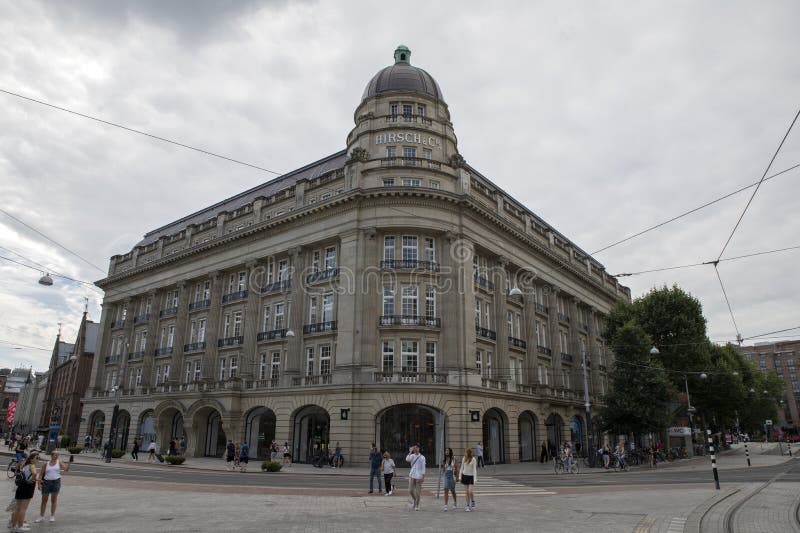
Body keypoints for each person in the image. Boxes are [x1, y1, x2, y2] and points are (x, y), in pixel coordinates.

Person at [34, 450, 69, 524]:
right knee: (44, 500)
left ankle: (52, 516)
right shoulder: (46, 464)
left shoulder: (59, 462)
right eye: (55, 455)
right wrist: (39, 484)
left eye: (57, 455)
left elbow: (66, 469)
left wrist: (69, 464)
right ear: (51, 456)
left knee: (54, 500)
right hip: (46, 482)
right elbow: (41, 474)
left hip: (56, 482)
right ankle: (41, 516)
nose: (56, 456)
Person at [11, 450, 39, 532]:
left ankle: (13, 526)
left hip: (20, 487)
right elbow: (33, 474)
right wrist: (32, 480)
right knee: (23, 509)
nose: (38, 459)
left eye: (38, 458)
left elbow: (26, 476)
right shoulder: (32, 466)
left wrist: (35, 479)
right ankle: (20, 526)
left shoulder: (24, 465)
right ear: (31, 459)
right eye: (37, 458)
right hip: (27, 488)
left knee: (17, 508)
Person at [405, 444, 425, 511]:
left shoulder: (422, 457)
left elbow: (423, 467)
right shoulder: (412, 456)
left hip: (419, 476)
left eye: (417, 448)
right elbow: (407, 459)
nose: (416, 449)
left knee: (418, 492)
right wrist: (410, 452)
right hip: (412, 475)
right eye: (414, 448)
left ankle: (417, 505)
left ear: (419, 449)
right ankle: (415, 500)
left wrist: (423, 477)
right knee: (410, 490)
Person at [459, 447, 477, 512]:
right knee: (466, 492)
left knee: (470, 491)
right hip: (465, 476)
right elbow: (461, 468)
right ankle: (467, 505)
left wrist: (475, 479)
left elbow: (474, 470)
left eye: (466, 452)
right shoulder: (464, 458)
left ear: (468, 453)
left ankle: (473, 501)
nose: (465, 453)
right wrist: (460, 477)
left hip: (471, 477)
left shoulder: (473, 459)